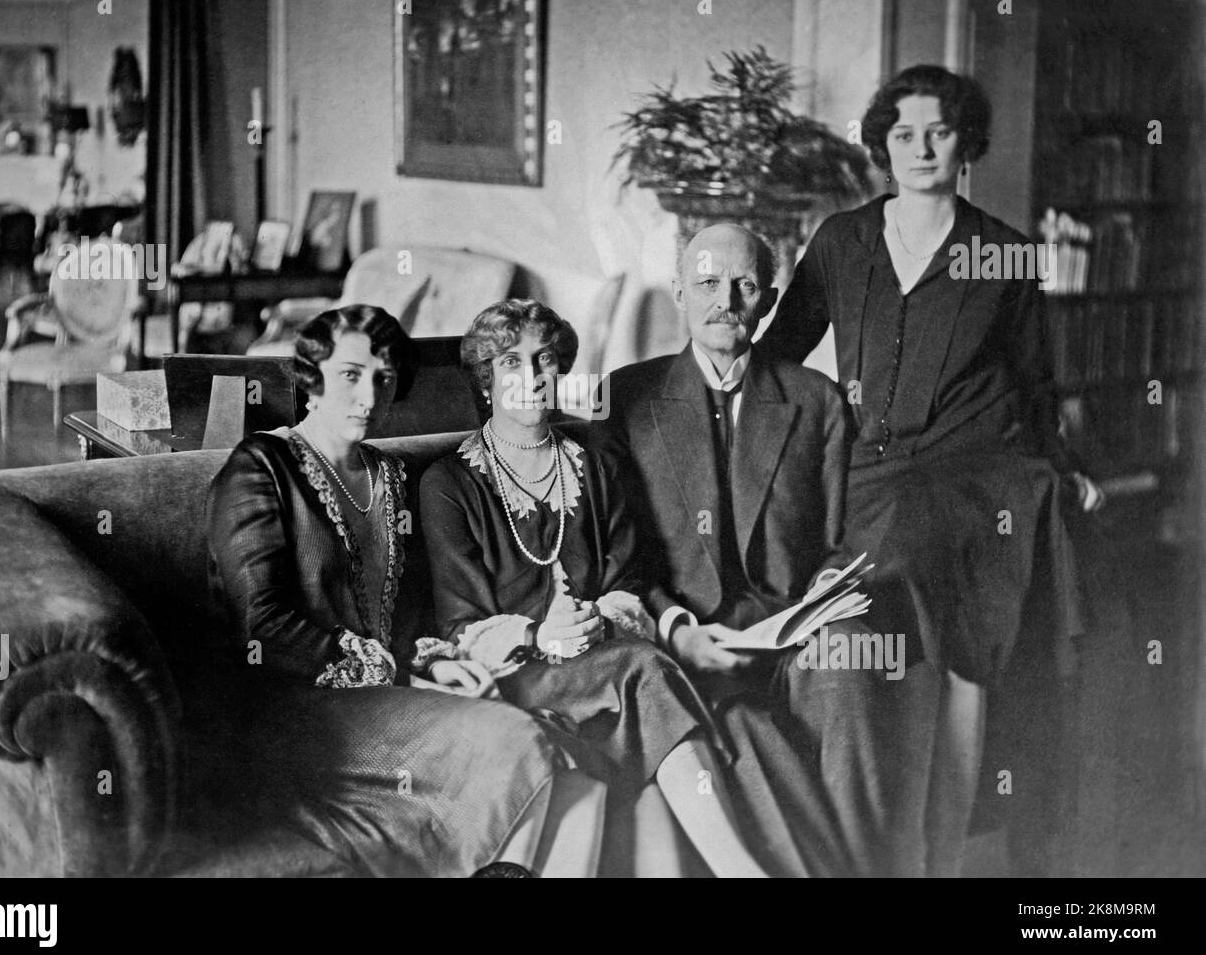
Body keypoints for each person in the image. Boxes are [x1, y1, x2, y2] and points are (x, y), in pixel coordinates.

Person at [758, 64, 1102, 874]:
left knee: (935, 625)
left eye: (938, 132)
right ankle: (863, 843)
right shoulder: (843, 242)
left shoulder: (1003, 255)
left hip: (976, 475)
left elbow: (1035, 381)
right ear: (882, 142)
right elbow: (781, 350)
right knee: (842, 619)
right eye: (903, 133)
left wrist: (1066, 466)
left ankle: (932, 855)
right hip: (870, 469)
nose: (919, 148)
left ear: (965, 143)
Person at [206, 304, 605, 878]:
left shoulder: (393, 476)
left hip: (392, 700)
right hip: (292, 714)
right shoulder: (261, 467)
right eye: (350, 374)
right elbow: (260, 630)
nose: (368, 396)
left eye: (383, 378)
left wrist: (437, 663)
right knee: (519, 740)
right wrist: (396, 673)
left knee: (583, 783)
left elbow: (414, 617)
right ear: (311, 378)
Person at [593, 222, 941, 877]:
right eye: (706, 283)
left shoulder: (816, 400)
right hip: (682, 637)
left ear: (771, 297)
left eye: (744, 283)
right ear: (678, 291)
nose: (725, 298)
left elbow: (843, 539)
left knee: (849, 660)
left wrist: (824, 597)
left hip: (793, 633)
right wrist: (675, 629)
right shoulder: (628, 400)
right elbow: (619, 559)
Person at [419, 299, 772, 877]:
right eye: (511, 363)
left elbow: (629, 582)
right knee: (645, 670)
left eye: (545, 359)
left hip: (605, 671)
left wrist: (593, 625)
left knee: (649, 754)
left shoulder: (594, 465)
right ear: (487, 380)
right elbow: (457, 628)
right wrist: (539, 633)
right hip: (515, 684)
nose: (532, 378)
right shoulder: (448, 485)